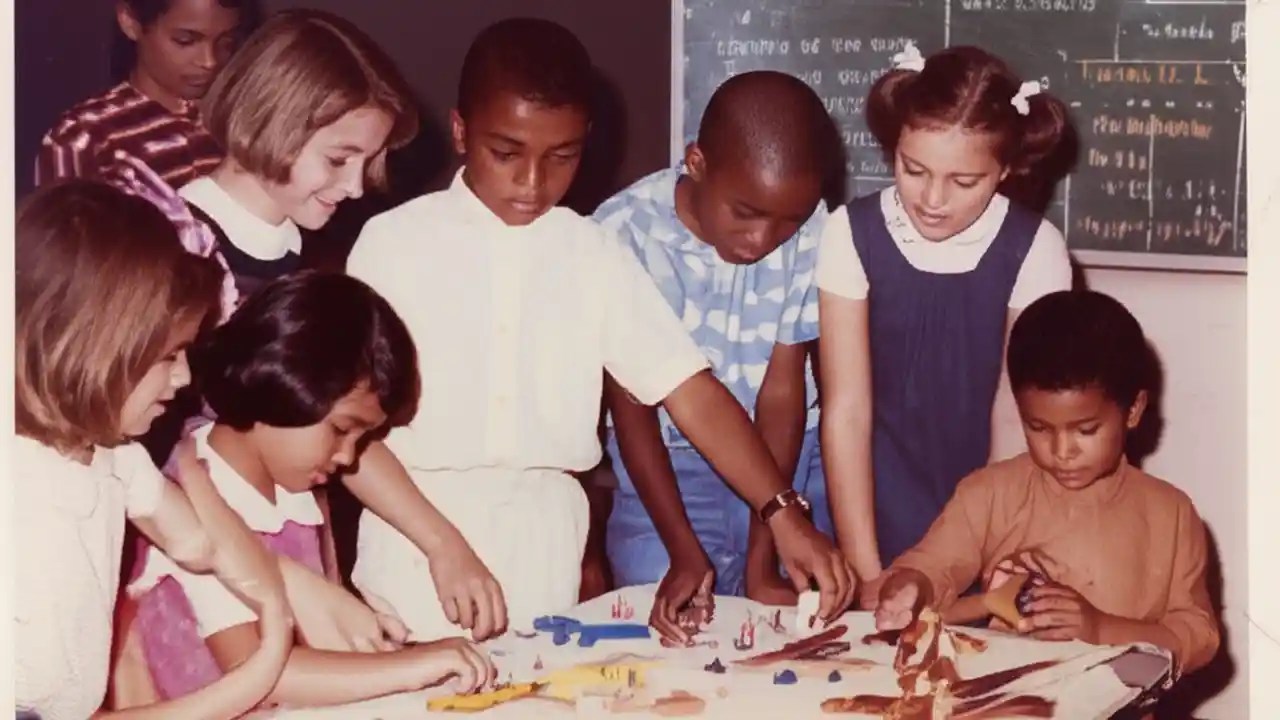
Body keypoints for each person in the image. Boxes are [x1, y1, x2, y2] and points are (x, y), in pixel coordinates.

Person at [347, 17, 856, 647]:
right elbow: (346, 434)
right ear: (460, 132)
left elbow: (689, 392)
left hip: (542, 557)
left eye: (562, 157)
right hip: (413, 545)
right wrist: (441, 543)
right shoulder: (393, 247)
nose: (533, 183)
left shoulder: (593, 251)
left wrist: (782, 512)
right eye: (506, 153)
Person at [130, 9, 509, 643]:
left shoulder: (292, 257)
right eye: (339, 158)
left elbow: (338, 427)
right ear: (269, 121)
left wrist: (444, 545)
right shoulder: (170, 251)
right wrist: (279, 577)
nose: (358, 186)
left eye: (368, 162)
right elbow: (145, 461)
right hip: (185, 579)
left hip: (270, 554)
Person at [128, 271, 497, 706]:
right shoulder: (197, 500)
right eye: (341, 430)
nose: (347, 457)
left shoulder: (296, 490)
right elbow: (262, 674)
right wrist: (416, 666)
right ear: (283, 386)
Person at [14, 179, 293, 719]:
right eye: (168, 356)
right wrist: (257, 673)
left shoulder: (109, 454)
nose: (183, 377)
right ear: (87, 346)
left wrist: (271, 605)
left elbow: (200, 543)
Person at [817, 44, 1074, 587]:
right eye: (913, 170)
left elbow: (1014, 416)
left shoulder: (1036, 248)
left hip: (989, 501)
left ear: (1004, 170)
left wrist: (994, 562)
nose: (933, 199)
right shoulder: (849, 232)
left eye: (963, 182)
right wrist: (865, 569)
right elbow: (847, 411)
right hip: (870, 499)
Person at [872, 290, 1221, 678]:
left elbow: (1198, 636)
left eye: (1086, 430)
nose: (1061, 451)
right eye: (1038, 427)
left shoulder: (1169, 514)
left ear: (1134, 410)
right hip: (1010, 703)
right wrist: (910, 587)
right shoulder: (989, 494)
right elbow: (932, 566)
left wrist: (1100, 629)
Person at [593, 70, 837, 605]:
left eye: (787, 222)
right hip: (665, 471)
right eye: (746, 214)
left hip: (785, 466)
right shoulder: (622, 234)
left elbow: (781, 396)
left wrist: (762, 560)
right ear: (696, 162)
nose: (762, 241)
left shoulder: (814, 227)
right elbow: (632, 415)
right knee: (660, 628)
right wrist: (682, 550)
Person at [35, 0, 247, 186]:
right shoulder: (84, 137)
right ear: (130, 21)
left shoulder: (243, 118)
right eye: (185, 40)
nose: (209, 61)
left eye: (226, 43)